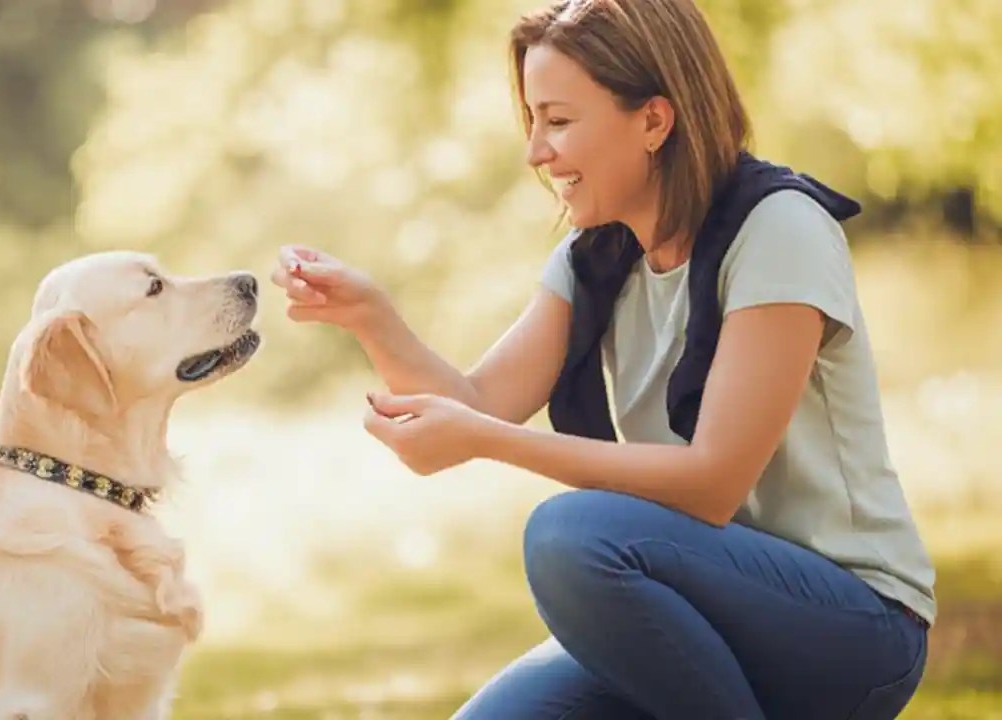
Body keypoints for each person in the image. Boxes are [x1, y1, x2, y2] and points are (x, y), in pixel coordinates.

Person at [268, 0, 936, 717]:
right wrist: (371, 317)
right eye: (532, 121)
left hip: (853, 624)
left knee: (571, 538)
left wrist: (488, 442)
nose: (534, 152)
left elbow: (713, 481)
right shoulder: (596, 259)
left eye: (557, 121)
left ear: (654, 120)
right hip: (696, 607)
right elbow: (478, 403)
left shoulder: (779, 230)